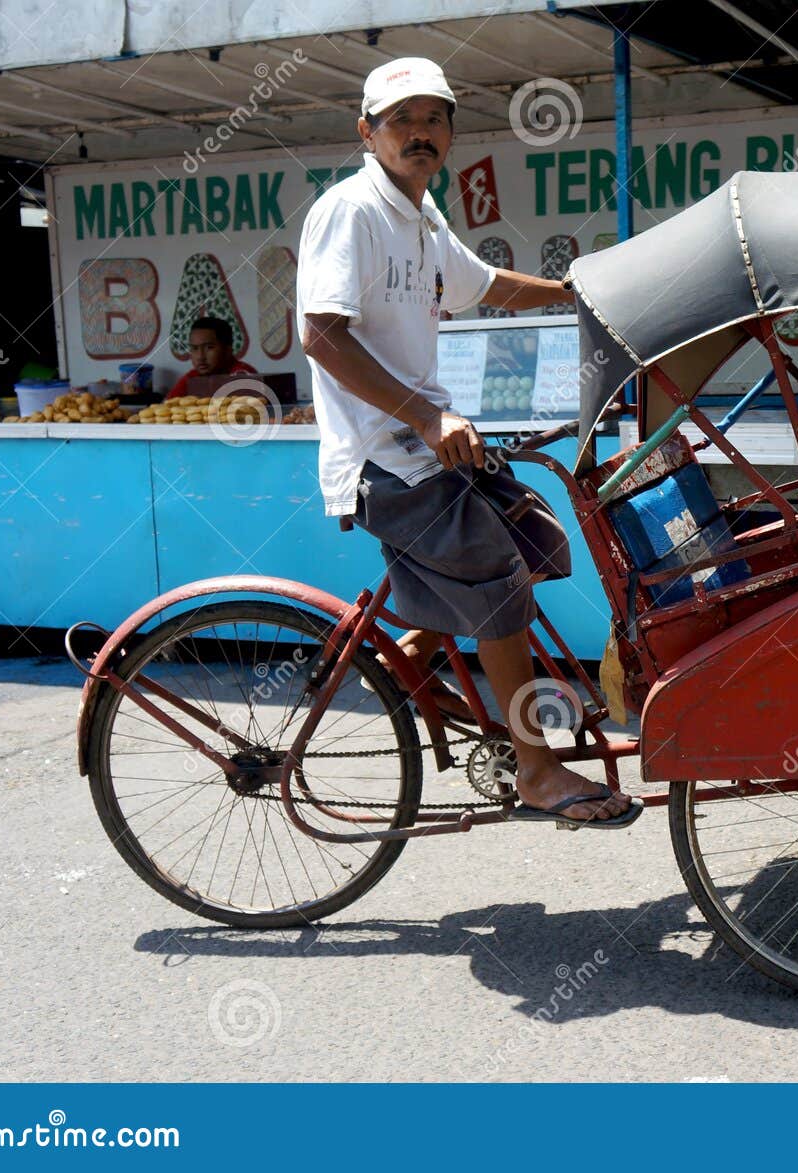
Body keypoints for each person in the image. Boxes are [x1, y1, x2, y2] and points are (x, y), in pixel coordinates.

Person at [297, 57, 639, 830]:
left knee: (539, 536)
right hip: (386, 458)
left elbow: (485, 285)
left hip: (426, 445)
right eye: (401, 119)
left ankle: (416, 643)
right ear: (367, 133)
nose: (420, 132)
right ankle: (537, 768)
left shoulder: (421, 218)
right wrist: (423, 414)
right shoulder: (352, 212)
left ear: (450, 131)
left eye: (435, 118)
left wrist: (584, 295)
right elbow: (321, 335)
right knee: (497, 577)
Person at [165, 316, 258, 398]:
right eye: (195, 348)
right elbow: (167, 407)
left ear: (227, 350)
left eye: (209, 347)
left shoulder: (242, 374)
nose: (200, 357)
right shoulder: (192, 377)